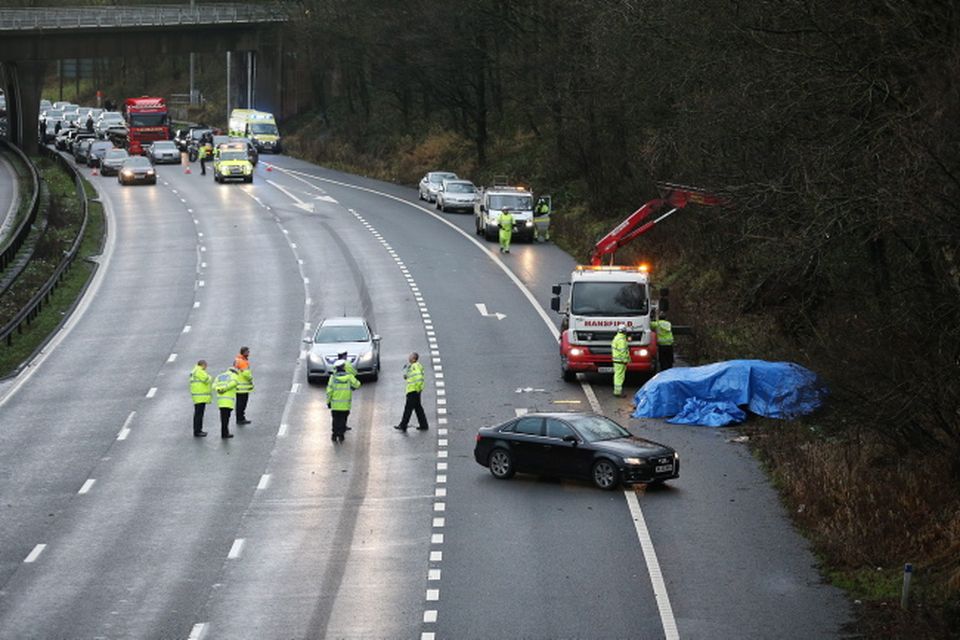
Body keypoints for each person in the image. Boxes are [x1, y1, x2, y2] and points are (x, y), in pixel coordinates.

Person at [327, 360, 361, 442]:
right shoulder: (349, 377)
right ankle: (341, 435)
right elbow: (357, 384)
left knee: (335, 420)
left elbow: (329, 391)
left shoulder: (333, 378)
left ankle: (334, 435)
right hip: (345, 405)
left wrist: (328, 402)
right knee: (343, 419)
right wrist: (352, 388)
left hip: (335, 405)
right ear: (344, 367)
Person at [394, 352, 428, 432]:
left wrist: (417, 388)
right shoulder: (415, 366)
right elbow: (413, 377)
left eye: (410, 356)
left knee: (408, 409)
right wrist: (406, 376)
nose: (408, 357)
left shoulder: (415, 366)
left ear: (413, 358)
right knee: (418, 408)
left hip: (413, 391)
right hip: (415, 390)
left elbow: (418, 377)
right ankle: (424, 425)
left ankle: (403, 425)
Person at [214, 366, 240, 439]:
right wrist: (224, 389)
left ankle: (224, 432)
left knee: (223, 417)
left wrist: (218, 389)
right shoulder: (233, 376)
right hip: (228, 400)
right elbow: (234, 383)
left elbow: (214, 385)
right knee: (226, 418)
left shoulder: (220, 376)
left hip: (220, 400)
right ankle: (225, 434)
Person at [189, 359, 212, 437]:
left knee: (198, 414)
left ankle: (198, 430)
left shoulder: (195, 371)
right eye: (206, 366)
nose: (206, 367)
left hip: (198, 396)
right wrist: (209, 377)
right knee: (199, 414)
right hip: (200, 396)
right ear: (203, 365)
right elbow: (206, 379)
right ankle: (198, 431)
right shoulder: (199, 371)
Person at [233, 347, 254, 425]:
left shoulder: (237, 360)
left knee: (239, 403)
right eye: (247, 352)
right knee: (242, 403)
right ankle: (240, 418)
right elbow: (246, 374)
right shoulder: (242, 362)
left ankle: (240, 418)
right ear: (244, 352)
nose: (249, 353)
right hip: (242, 386)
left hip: (238, 385)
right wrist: (250, 379)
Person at [611, 323, 629, 397]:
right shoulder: (622, 340)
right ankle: (618, 392)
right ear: (624, 331)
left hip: (616, 360)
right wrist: (625, 360)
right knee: (619, 376)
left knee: (617, 375)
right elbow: (623, 352)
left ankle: (617, 391)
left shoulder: (616, 338)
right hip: (620, 361)